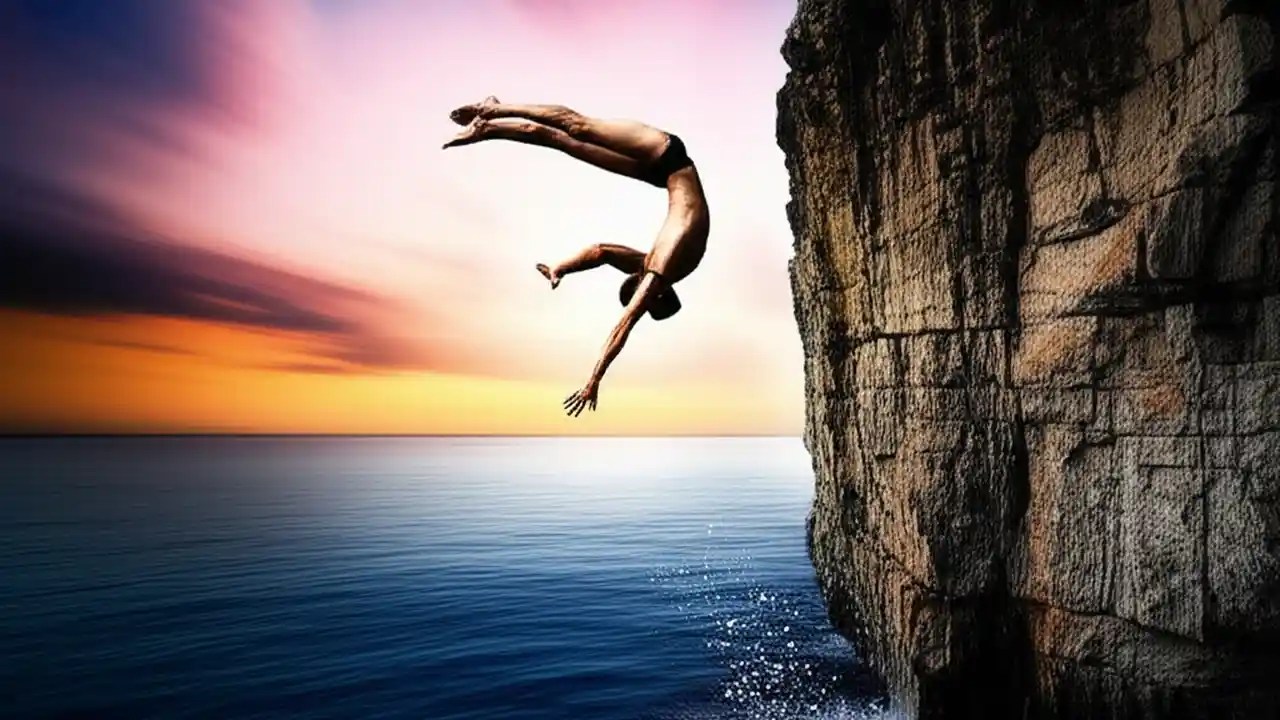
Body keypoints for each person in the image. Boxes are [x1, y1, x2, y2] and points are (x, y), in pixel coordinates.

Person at [443, 97, 710, 417]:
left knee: (558, 140)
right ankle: (493, 108)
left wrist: (561, 268)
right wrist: (594, 380)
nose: (640, 288)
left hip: (660, 171)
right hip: (666, 151)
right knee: (576, 126)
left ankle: (487, 129)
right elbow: (623, 327)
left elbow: (602, 252)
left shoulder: (659, 268)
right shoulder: (663, 265)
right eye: (643, 294)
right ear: (658, 292)